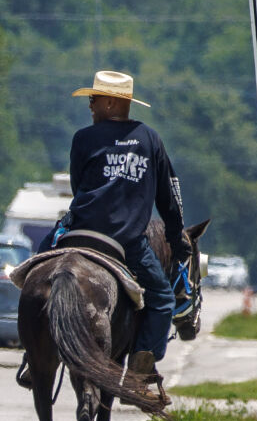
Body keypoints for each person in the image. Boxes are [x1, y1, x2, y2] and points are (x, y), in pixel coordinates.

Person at [62, 69, 190, 393]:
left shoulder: (82, 138)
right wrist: (177, 238)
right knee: (161, 300)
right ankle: (139, 372)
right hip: (128, 243)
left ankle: (31, 360)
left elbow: (79, 186)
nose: (90, 105)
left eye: (93, 99)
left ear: (109, 102)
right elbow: (169, 197)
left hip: (80, 232)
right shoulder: (150, 139)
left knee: (38, 273)